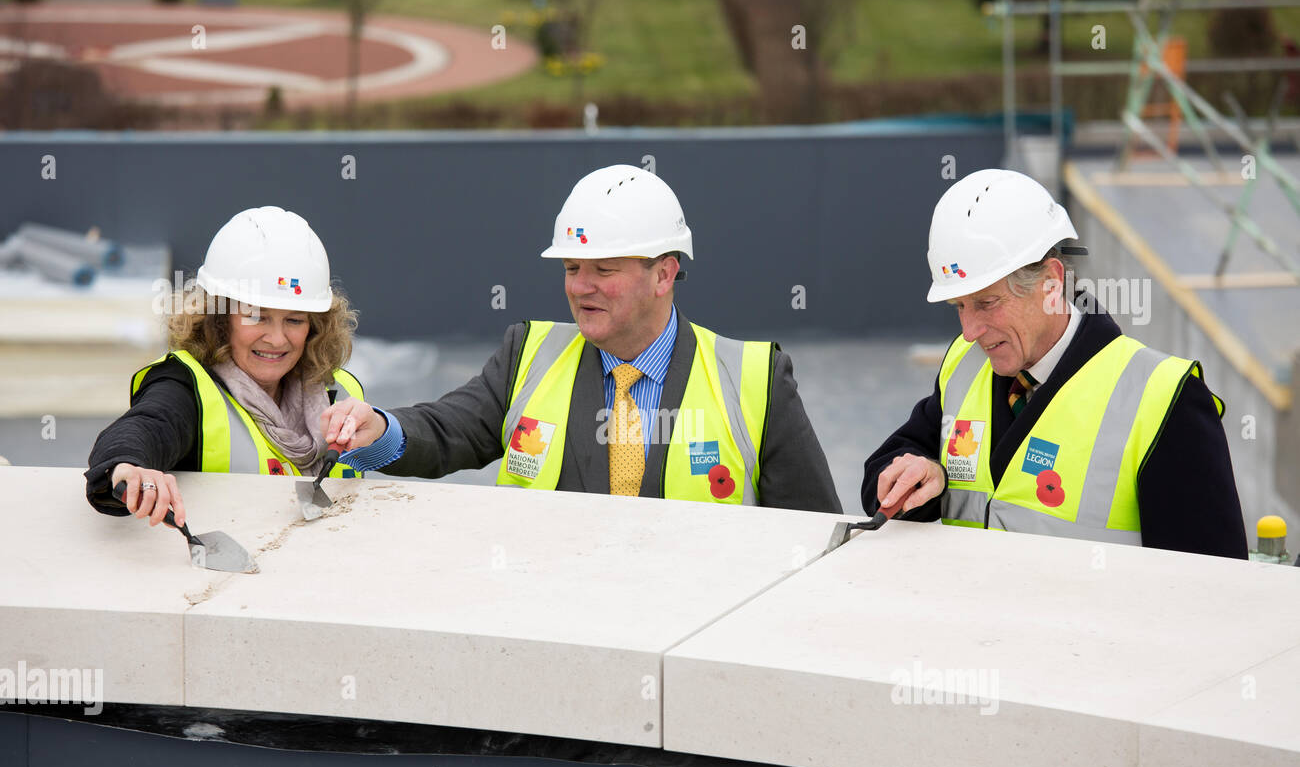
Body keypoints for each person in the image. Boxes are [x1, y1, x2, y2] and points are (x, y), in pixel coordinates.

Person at [325, 164, 841, 513]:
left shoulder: (756, 380)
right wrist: (380, 430)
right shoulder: (528, 353)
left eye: (604, 269)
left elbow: (817, 534)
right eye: (572, 267)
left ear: (664, 274)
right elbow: (445, 432)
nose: (581, 286)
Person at [861, 168, 1246, 559]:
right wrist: (922, 478)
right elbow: (890, 467)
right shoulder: (965, 365)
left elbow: (1210, 589)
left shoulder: (1162, 399)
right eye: (959, 305)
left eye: (986, 303)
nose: (970, 330)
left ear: (1050, 282)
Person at [85, 206, 364, 525]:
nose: (276, 339)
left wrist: (387, 432)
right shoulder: (185, 387)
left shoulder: (342, 391)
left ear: (314, 325)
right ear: (219, 318)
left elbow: (419, 441)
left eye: (294, 319)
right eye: (256, 316)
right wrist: (128, 465)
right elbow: (148, 424)